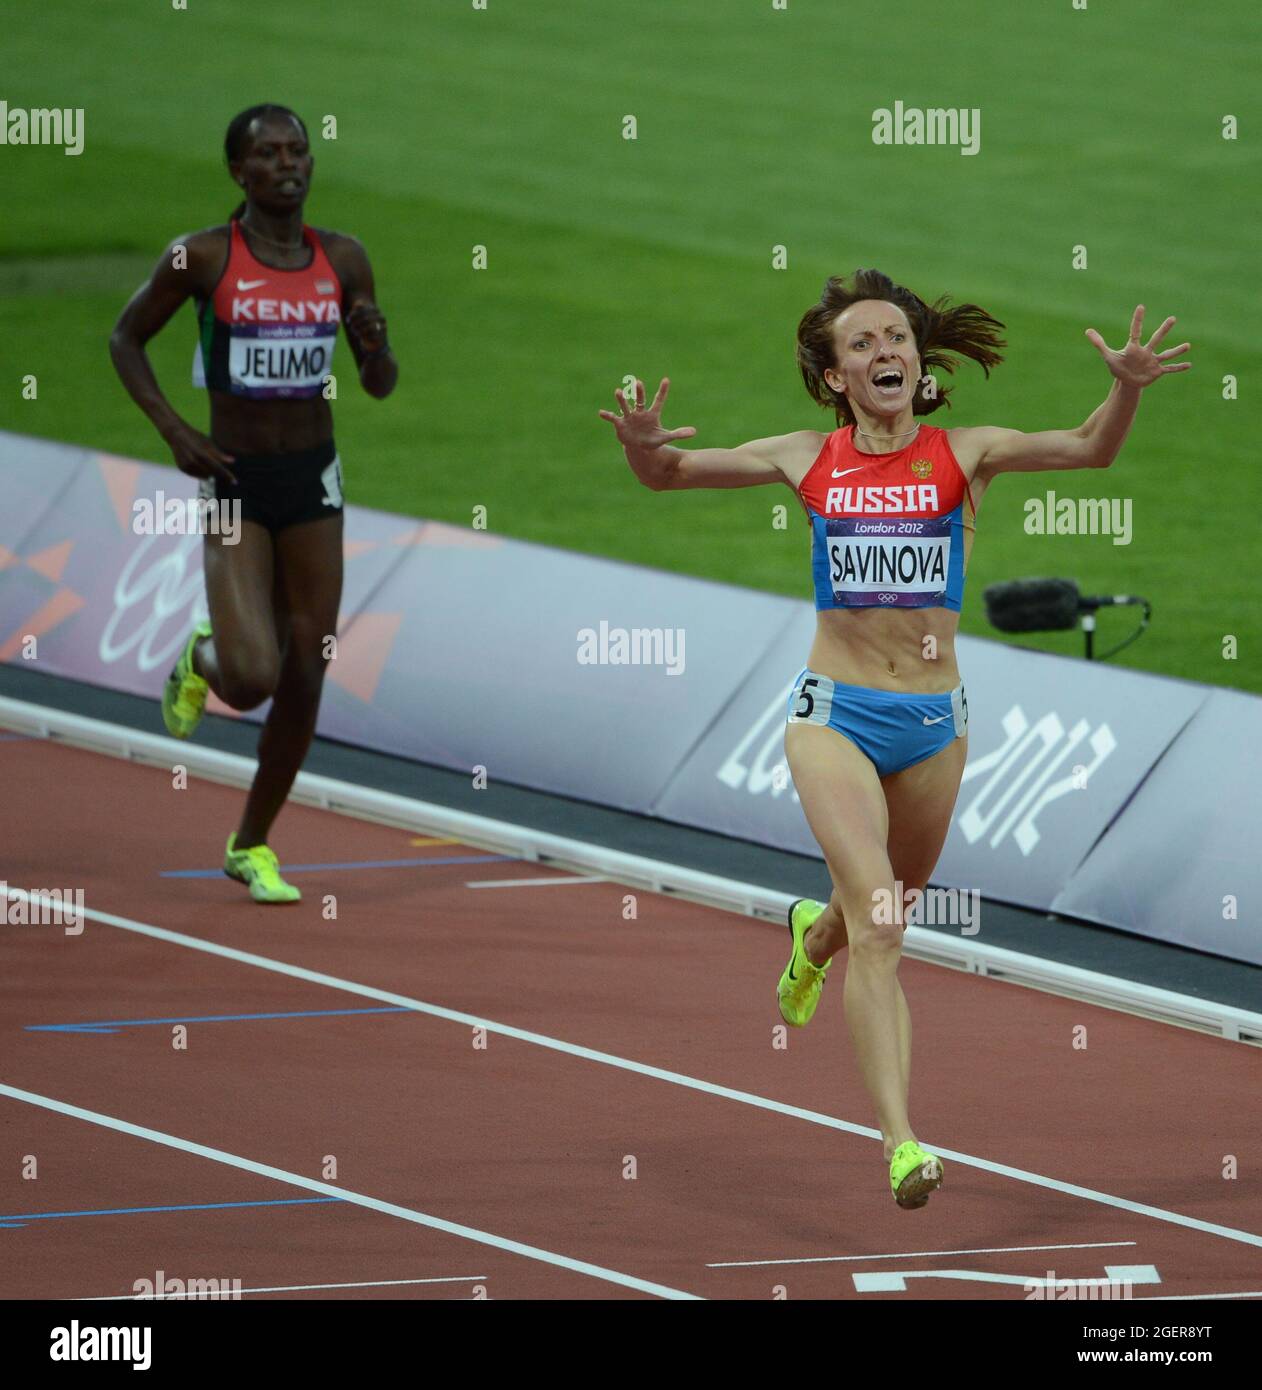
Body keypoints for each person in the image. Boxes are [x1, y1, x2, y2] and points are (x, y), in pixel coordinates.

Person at [599, 268, 1188, 1206]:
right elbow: (669, 473)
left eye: (898, 339)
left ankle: (810, 935)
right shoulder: (806, 457)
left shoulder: (967, 454)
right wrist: (640, 447)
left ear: (921, 362)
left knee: (864, 917)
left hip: (933, 728)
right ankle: (903, 1144)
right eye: (863, 344)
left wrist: (1125, 386)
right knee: (886, 924)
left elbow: (1088, 451)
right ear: (835, 377)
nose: (887, 353)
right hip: (835, 715)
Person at [109, 104, 397, 903]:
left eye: (297, 150)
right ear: (238, 171)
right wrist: (173, 430)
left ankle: (252, 844)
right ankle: (199, 658)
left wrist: (373, 346)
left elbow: (380, 384)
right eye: (266, 154)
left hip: (313, 480)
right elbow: (125, 338)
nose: (287, 164)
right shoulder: (201, 257)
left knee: (307, 667)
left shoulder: (344, 259)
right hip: (234, 478)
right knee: (250, 675)